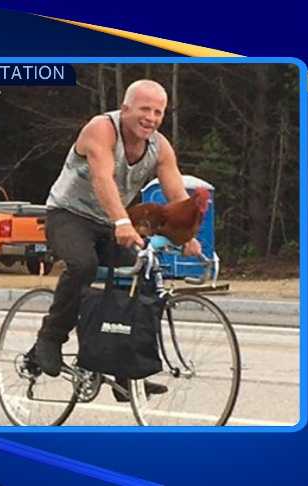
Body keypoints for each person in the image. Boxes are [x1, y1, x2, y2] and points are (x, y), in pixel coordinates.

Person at [34, 79, 203, 400]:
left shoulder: (159, 147)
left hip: (112, 222)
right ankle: (50, 338)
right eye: (144, 109)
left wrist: (186, 235)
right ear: (125, 109)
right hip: (69, 214)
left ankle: (126, 370)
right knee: (84, 265)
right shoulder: (101, 129)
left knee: (141, 282)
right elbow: (102, 179)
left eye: (158, 112)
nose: (150, 118)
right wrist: (123, 220)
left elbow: (177, 196)